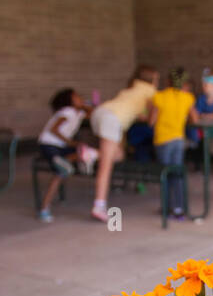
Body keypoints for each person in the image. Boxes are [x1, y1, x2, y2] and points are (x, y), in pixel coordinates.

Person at [89, 65, 159, 223]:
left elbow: (136, 113)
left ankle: (92, 153)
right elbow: (151, 120)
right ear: (153, 80)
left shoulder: (131, 89)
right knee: (106, 165)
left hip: (100, 113)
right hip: (113, 119)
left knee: (119, 155)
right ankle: (99, 206)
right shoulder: (151, 92)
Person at [150, 67, 197, 220]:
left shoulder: (159, 96)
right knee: (177, 173)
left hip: (163, 141)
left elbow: (152, 121)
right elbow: (194, 119)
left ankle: (167, 207)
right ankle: (178, 208)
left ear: (168, 81)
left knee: (165, 174)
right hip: (178, 140)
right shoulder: (188, 98)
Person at [37, 88, 88, 223]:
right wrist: (70, 142)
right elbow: (54, 129)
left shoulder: (78, 113)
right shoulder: (67, 111)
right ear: (69, 101)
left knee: (80, 154)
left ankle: (64, 163)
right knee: (60, 169)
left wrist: (86, 106)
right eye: (76, 97)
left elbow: (91, 114)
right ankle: (62, 162)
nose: (80, 98)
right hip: (49, 144)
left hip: (60, 148)